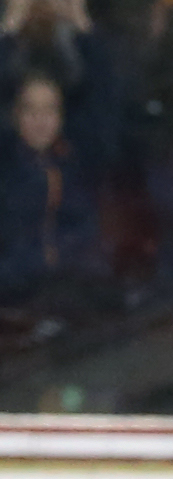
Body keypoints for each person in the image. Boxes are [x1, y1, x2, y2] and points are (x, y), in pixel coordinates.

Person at [0, 70, 113, 312]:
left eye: (50, 110)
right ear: (15, 115)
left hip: (65, 290)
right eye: (30, 111)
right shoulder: (8, 170)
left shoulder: (71, 165)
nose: (40, 121)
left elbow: (85, 229)